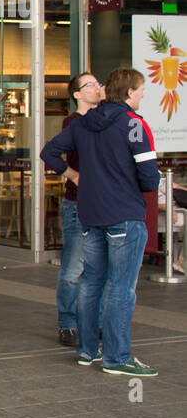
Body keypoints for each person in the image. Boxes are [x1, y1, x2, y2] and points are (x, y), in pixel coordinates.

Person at [40, 68, 160, 377]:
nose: (143, 94)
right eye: (141, 90)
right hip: (123, 214)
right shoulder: (134, 124)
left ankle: (87, 350)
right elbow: (149, 178)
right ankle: (117, 358)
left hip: (90, 214)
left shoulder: (84, 124)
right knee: (121, 286)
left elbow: (49, 151)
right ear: (130, 93)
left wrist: (75, 176)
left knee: (91, 281)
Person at [53, 72, 105, 346]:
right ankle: (68, 322)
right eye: (90, 85)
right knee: (74, 268)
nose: (97, 88)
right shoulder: (73, 122)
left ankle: (95, 322)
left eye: (98, 83)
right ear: (76, 95)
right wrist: (71, 174)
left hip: (102, 205)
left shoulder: (107, 117)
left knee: (99, 268)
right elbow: (52, 154)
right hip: (77, 203)